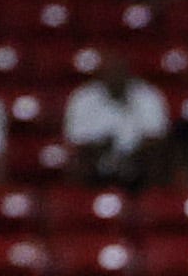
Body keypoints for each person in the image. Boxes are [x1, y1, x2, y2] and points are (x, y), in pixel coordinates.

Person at [63, 61, 171, 189]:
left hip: (138, 161)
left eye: (119, 74)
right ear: (101, 76)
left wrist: (131, 153)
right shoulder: (83, 97)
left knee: (157, 156)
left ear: (128, 75)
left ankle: (151, 201)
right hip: (96, 160)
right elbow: (75, 139)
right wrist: (101, 145)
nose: (115, 78)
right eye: (110, 74)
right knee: (79, 160)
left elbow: (156, 136)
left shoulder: (147, 96)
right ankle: (83, 202)